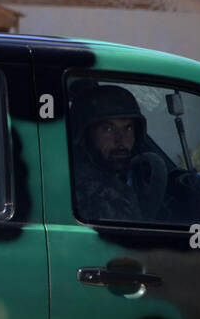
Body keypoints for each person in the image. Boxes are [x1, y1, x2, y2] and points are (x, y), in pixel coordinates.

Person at [70, 84, 166, 223]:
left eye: (128, 128)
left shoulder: (82, 176)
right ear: (85, 136)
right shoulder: (99, 196)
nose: (121, 140)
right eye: (108, 129)